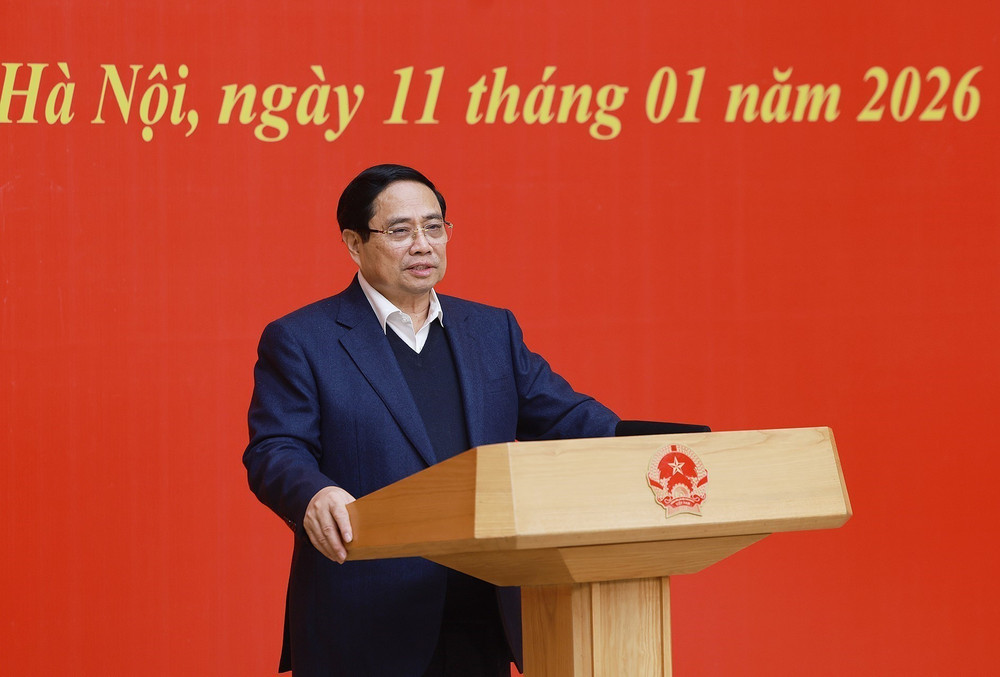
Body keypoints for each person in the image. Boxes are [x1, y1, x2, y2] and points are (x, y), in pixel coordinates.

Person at [243, 164, 619, 676]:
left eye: (434, 227)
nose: (422, 245)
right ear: (354, 243)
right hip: (365, 618)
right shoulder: (303, 339)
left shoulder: (491, 329)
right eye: (400, 230)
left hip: (481, 609)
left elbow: (568, 417)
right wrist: (313, 493)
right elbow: (275, 448)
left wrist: (651, 444)